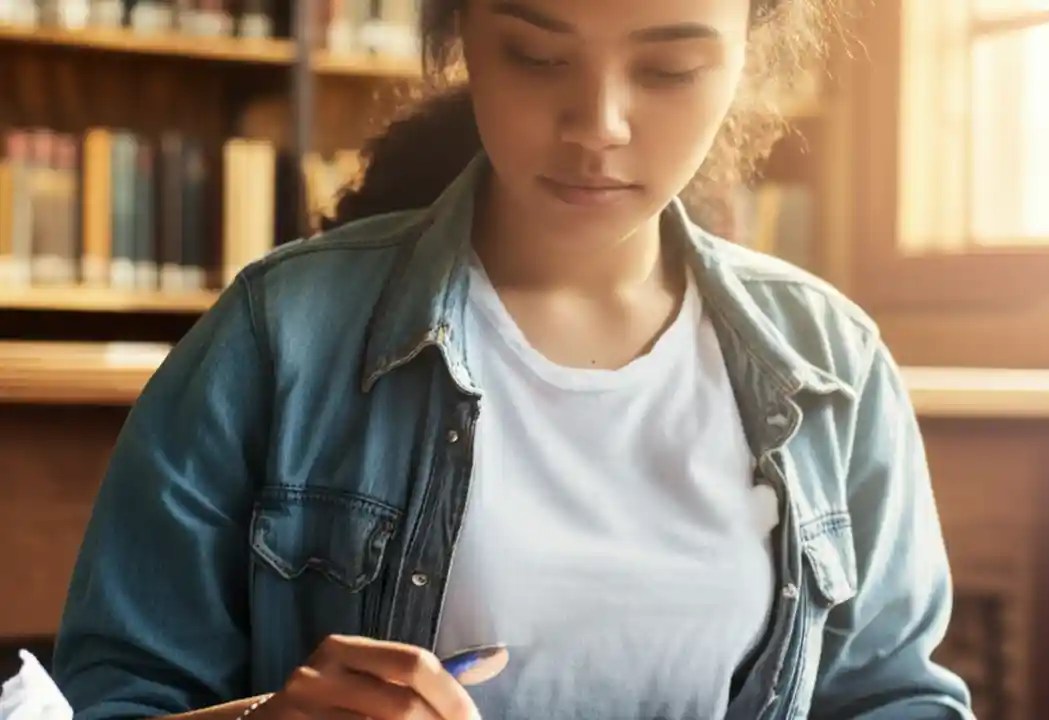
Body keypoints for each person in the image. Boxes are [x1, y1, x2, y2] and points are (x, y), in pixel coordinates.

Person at [52, 0, 974, 718]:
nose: (599, 124)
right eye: (535, 56)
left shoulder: (830, 363)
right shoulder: (277, 335)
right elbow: (111, 699)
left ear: (747, 56)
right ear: (463, 38)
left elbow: (892, 698)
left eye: (668, 67)